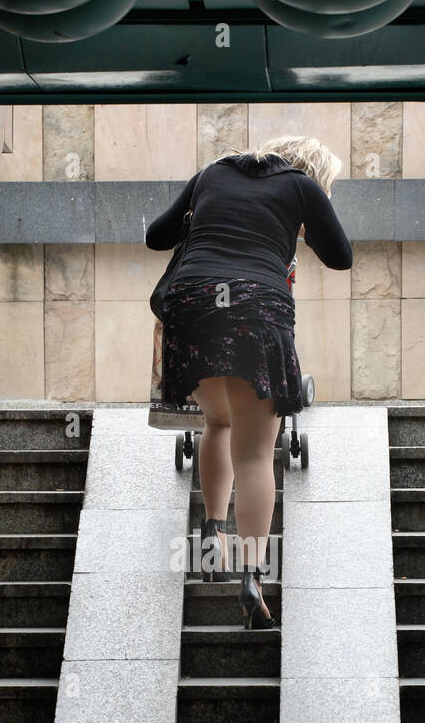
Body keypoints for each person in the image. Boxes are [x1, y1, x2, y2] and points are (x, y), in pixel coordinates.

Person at [145, 136, 352, 628]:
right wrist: (301, 226)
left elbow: (157, 236)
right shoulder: (301, 187)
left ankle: (213, 531)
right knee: (257, 452)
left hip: (192, 307)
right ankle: (251, 577)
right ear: (312, 171)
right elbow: (340, 256)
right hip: (257, 310)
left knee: (217, 422)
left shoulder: (212, 174)